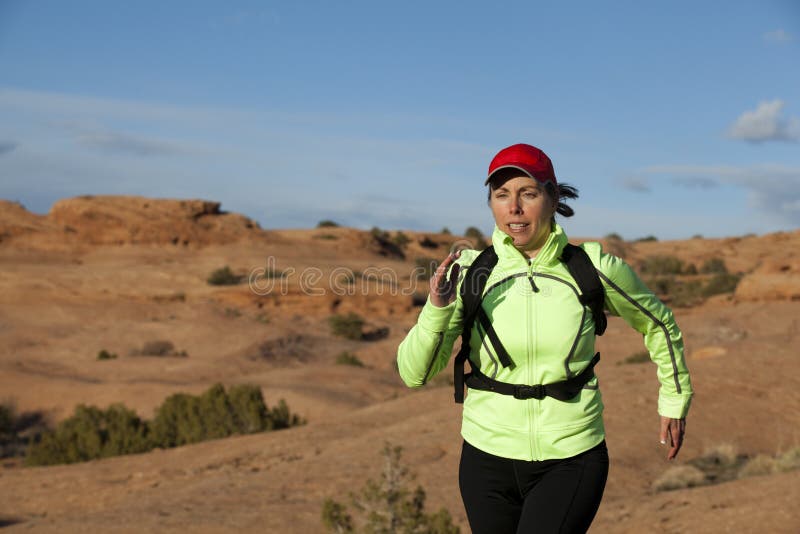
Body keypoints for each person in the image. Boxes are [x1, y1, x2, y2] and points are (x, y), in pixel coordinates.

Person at [396, 143, 693, 533]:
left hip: (572, 454)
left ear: (553, 199)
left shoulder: (593, 268)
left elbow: (659, 324)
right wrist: (437, 307)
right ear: (490, 204)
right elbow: (414, 374)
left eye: (528, 193)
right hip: (485, 458)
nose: (514, 208)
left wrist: (674, 398)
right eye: (502, 195)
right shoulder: (469, 272)